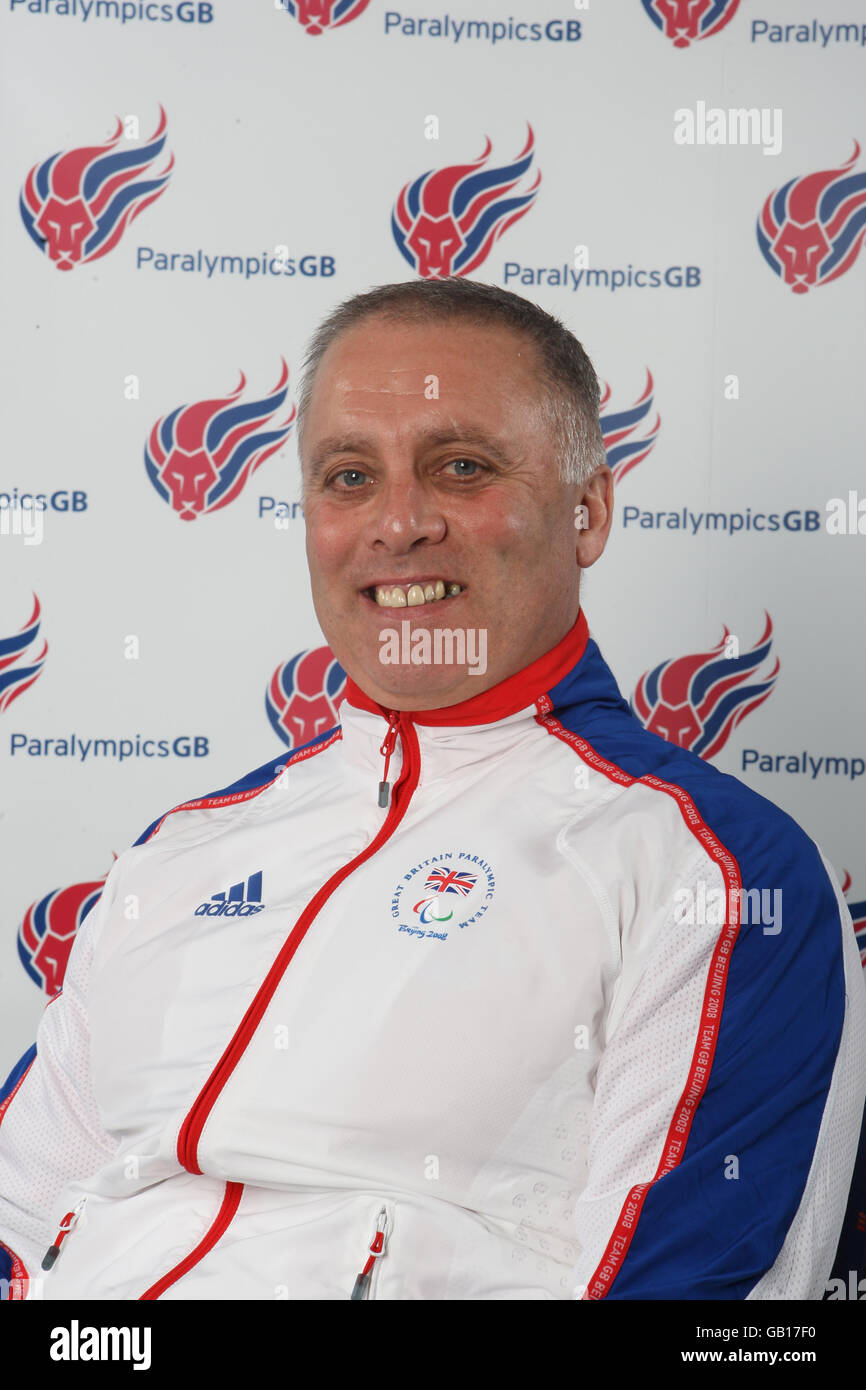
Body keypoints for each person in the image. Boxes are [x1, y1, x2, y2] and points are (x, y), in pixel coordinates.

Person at [1, 278, 864, 1301]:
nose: (397, 523)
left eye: (460, 467)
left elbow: (692, 1300)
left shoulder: (707, 867)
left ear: (586, 511)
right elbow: (23, 1216)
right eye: (348, 475)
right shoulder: (185, 849)